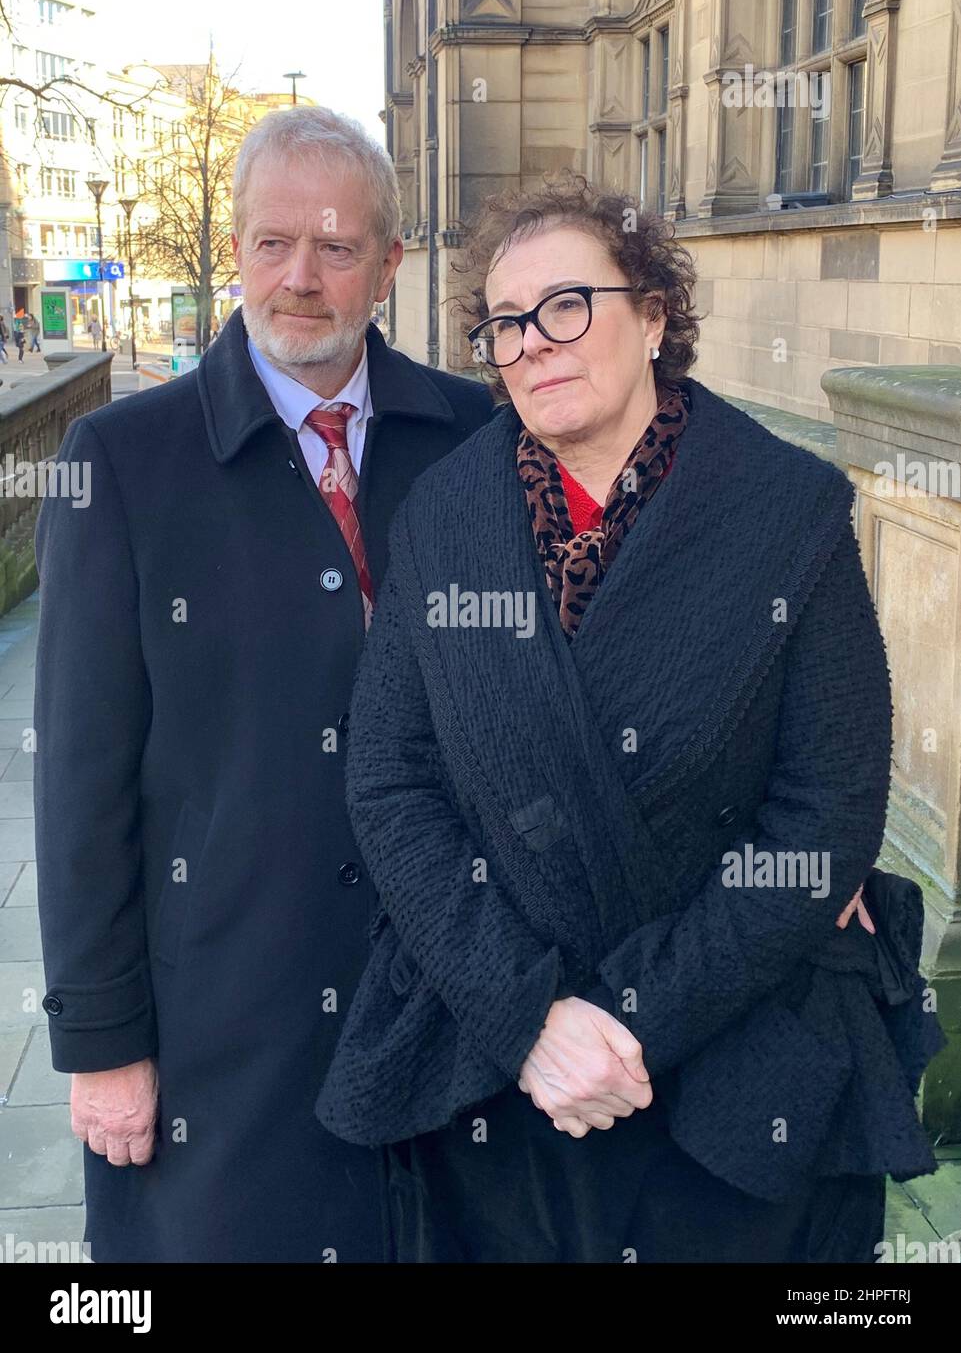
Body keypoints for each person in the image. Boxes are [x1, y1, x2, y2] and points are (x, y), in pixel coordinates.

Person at [316, 175, 947, 1263]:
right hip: (502, 1078)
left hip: (733, 1067)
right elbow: (389, 777)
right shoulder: (446, 519)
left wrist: (631, 1016)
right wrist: (527, 1018)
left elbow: (828, 807)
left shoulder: (785, 508)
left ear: (654, 313)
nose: (532, 344)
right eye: (504, 324)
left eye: (567, 304)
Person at [33, 104, 492, 1262]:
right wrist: (99, 1041)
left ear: (388, 264)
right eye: (272, 243)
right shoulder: (125, 463)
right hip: (218, 1029)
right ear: (234, 248)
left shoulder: (476, 440)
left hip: (447, 1007)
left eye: (338, 247)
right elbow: (78, 780)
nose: (301, 278)